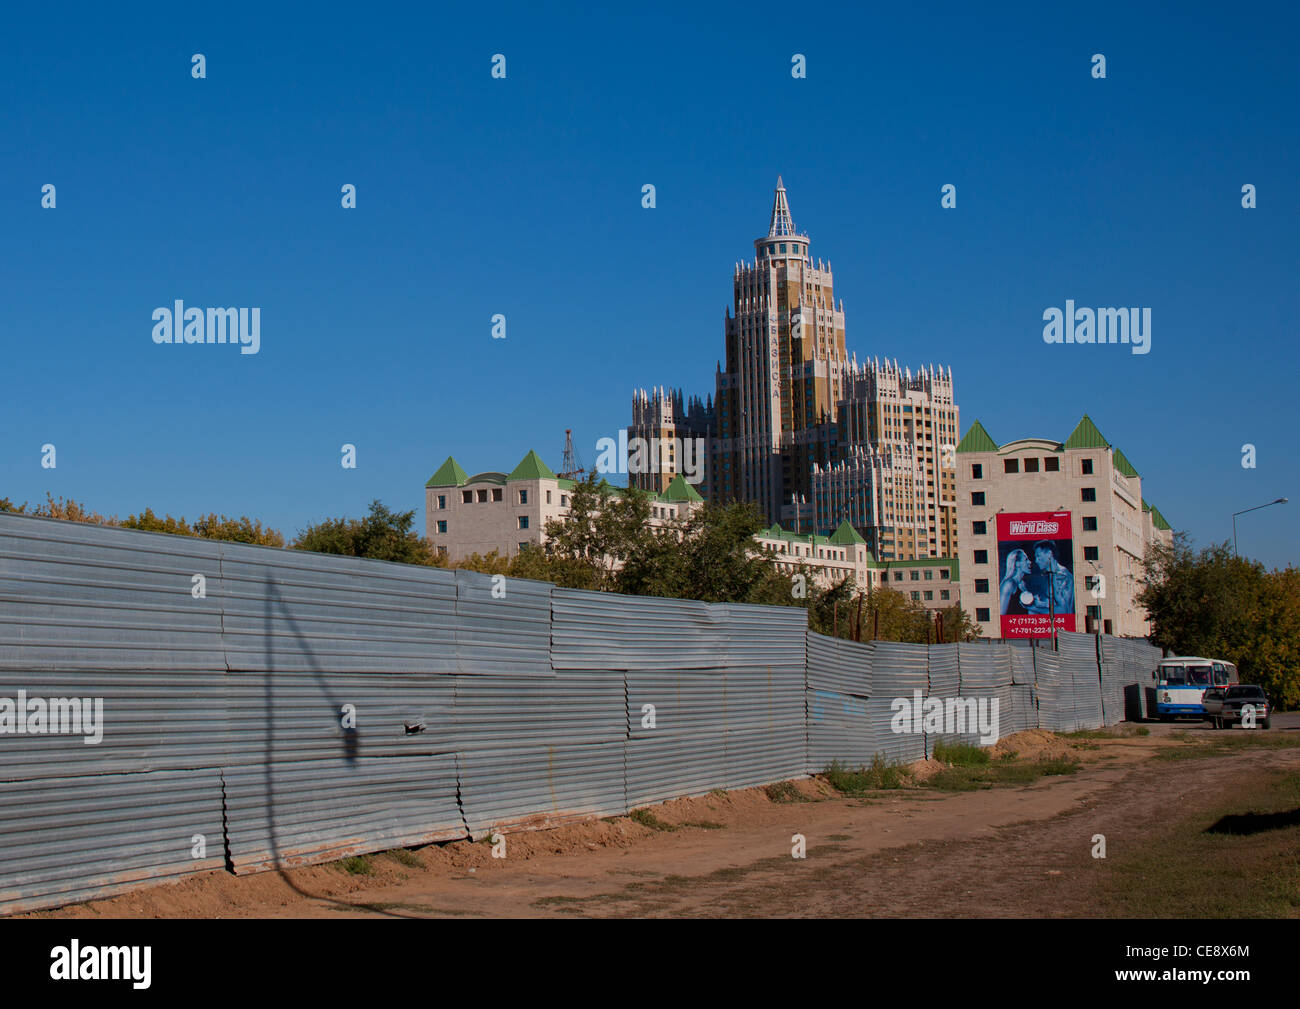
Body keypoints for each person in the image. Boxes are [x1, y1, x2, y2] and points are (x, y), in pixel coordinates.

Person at [1032, 540, 1074, 618]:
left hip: (1061, 626)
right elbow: (1054, 603)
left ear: (1049, 554)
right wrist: (1040, 603)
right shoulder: (1050, 574)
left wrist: (1034, 608)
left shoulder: (1061, 577)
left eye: (1038, 556)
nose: (1036, 561)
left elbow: (1064, 611)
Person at [999, 548, 1035, 615]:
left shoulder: (1023, 584)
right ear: (1017, 564)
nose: (1030, 562)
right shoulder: (1008, 584)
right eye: (1026, 560)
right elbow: (1001, 615)